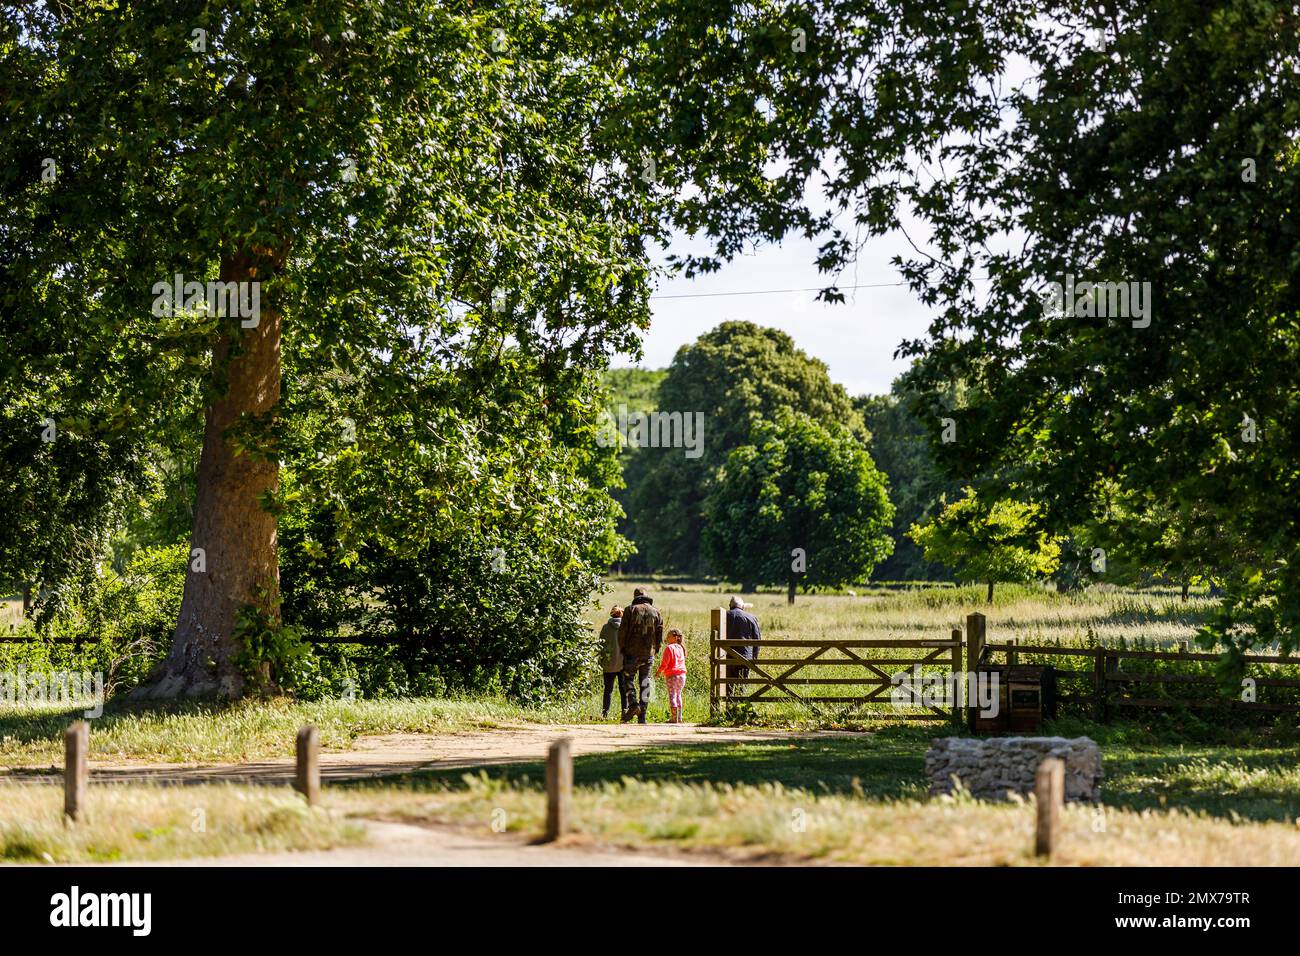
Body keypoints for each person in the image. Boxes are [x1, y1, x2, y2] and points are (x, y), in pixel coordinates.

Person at [617, 586, 663, 723]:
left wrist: (622, 648)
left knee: (627, 679)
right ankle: (643, 715)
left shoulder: (630, 610)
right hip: (648, 653)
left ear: (635, 597)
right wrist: (656, 649)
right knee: (645, 682)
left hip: (631, 652)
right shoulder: (656, 612)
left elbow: (622, 632)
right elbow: (659, 635)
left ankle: (633, 705)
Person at [725, 596, 761, 691]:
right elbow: (757, 639)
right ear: (742, 606)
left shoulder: (724, 616)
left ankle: (728, 703)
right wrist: (754, 657)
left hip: (726, 656)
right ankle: (741, 703)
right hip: (745, 656)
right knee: (742, 684)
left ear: (730, 605)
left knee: (727, 685)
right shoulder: (751, 617)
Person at [657, 628, 687, 723]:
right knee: (678, 694)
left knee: (672, 695)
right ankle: (679, 717)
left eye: (668, 636)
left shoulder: (669, 648)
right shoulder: (681, 648)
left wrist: (659, 671)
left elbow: (665, 663)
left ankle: (674, 718)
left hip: (672, 675)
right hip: (682, 675)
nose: (666, 638)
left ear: (675, 637)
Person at [598, 606, 624, 719]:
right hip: (623, 663)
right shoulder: (625, 628)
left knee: (608, 690)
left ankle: (605, 713)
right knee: (623, 689)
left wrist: (601, 660)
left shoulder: (605, 627)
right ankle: (625, 711)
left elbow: (600, 645)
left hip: (608, 662)